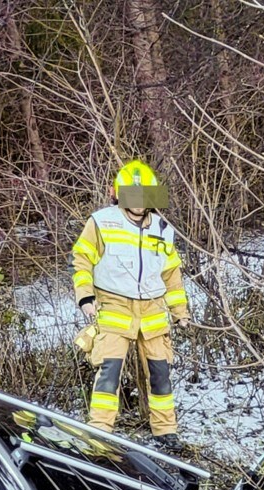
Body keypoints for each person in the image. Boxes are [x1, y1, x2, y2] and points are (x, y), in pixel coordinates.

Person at [70, 160, 189, 451]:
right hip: (114, 307)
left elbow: (171, 275)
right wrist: (85, 297)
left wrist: (180, 312)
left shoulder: (163, 229)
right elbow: (82, 260)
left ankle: (166, 430)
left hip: (152, 311)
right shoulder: (101, 222)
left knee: (160, 374)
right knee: (109, 372)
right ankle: (100, 432)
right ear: (118, 194)